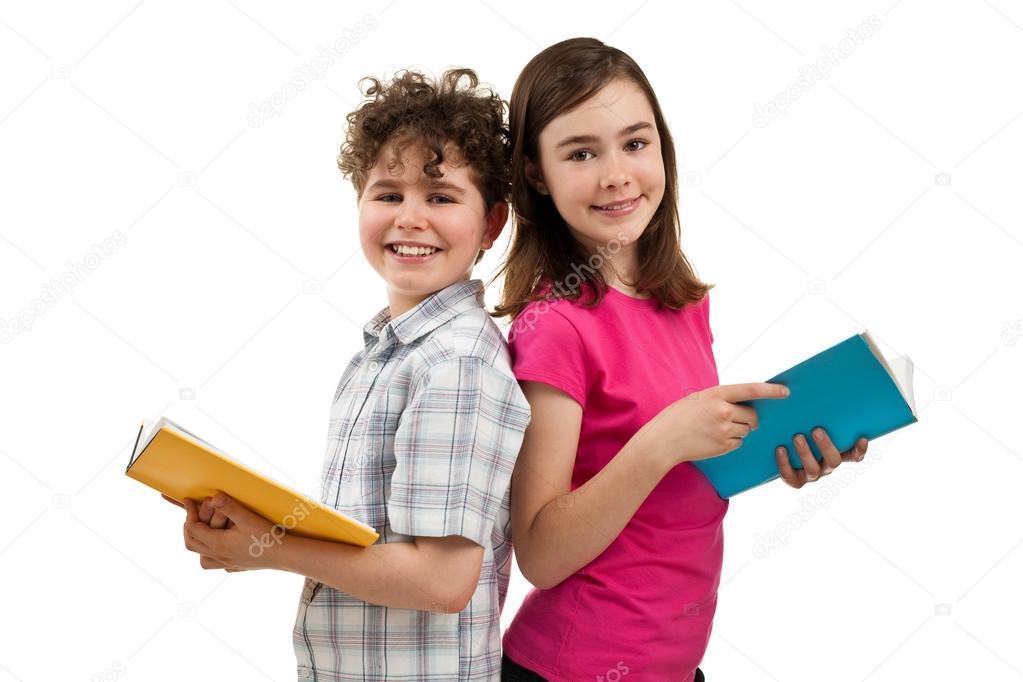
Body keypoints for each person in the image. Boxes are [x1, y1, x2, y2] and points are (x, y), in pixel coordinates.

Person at [492, 38, 870, 681]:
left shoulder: (680, 303)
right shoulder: (555, 326)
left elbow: (671, 490)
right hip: (573, 668)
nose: (616, 173)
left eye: (635, 143)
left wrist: (783, 447)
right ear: (536, 174)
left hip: (673, 666)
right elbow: (541, 552)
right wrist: (659, 443)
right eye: (581, 152)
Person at [169, 68, 531, 681]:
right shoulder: (383, 354)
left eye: (441, 198)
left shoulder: (458, 363)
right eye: (388, 194)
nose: (410, 218)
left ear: (492, 224)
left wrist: (267, 546)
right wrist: (252, 524)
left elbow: (443, 581)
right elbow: (367, 535)